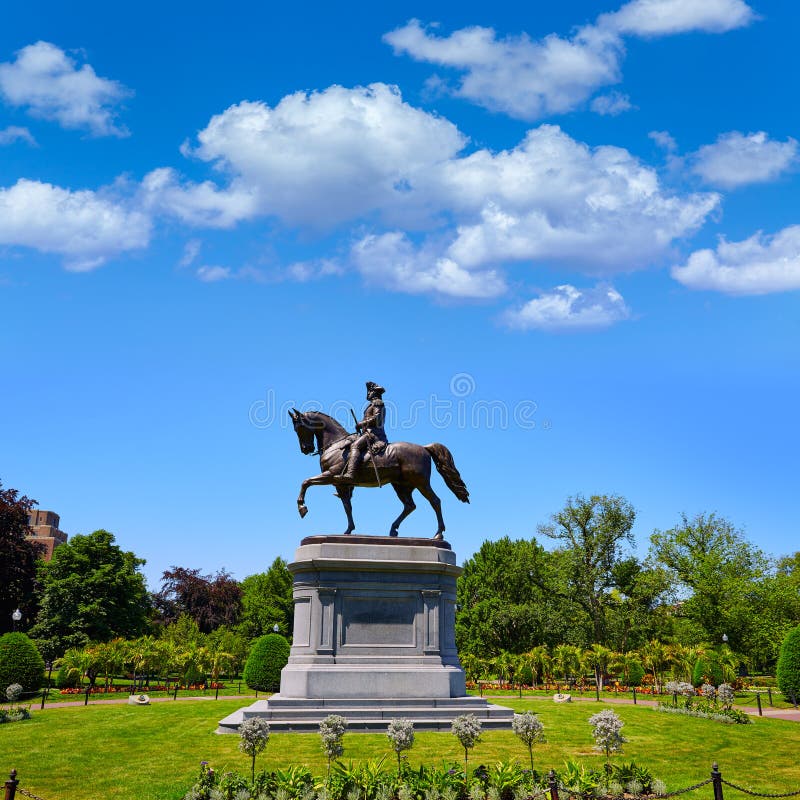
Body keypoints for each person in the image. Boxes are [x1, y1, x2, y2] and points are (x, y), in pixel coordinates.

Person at [341, 381, 387, 482]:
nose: (368, 393)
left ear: (374, 392)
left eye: (370, 391)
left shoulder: (377, 402)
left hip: (374, 434)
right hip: (368, 432)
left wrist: (361, 424)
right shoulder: (371, 405)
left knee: (355, 446)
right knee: (349, 440)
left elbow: (377, 418)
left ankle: (351, 474)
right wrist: (360, 426)